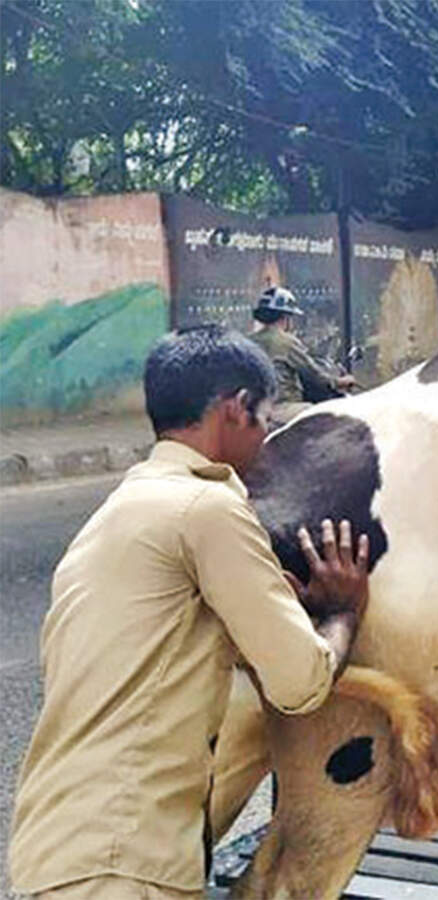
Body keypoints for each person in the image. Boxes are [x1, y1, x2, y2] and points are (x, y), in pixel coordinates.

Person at [8, 325, 371, 899]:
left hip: (61, 846)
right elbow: (299, 683)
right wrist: (343, 611)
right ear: (235, 409)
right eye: (266, 417)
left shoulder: (120, 512)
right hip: (124, 859)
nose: (268, 434)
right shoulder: (206, 508)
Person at [248, 285, 356, 427]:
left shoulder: (248, 341)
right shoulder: (287, 341)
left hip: (254, 408)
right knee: (322, 418)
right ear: (285, 318)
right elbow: (313, 374)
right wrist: (339, 382)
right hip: (282, 408)